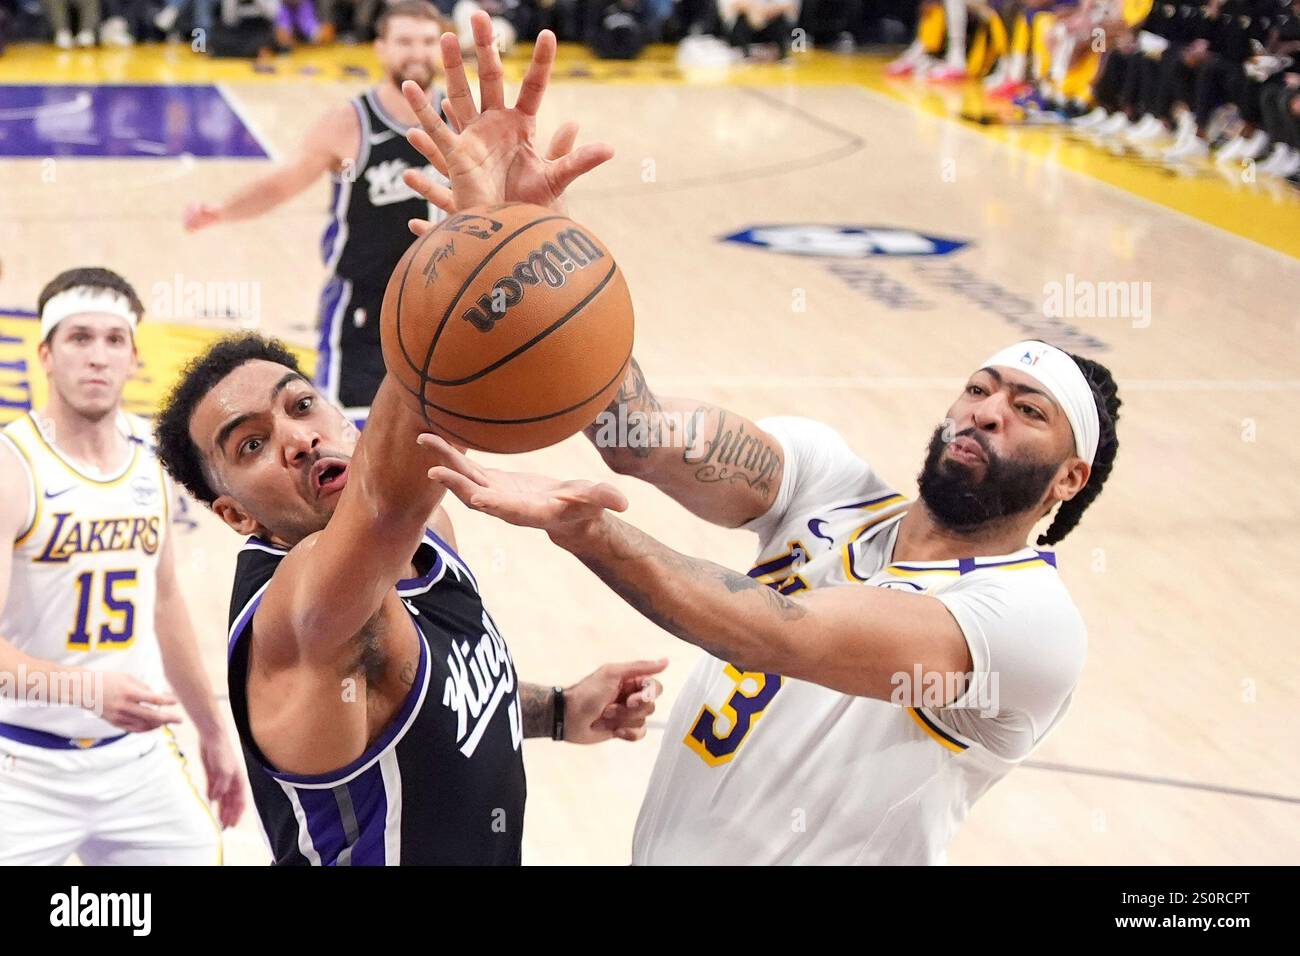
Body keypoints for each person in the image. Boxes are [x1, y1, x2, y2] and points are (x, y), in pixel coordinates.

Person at [154, 14, 656, 866]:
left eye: (302, 405)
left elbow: (419, 697)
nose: (297, 439)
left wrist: (560, 711)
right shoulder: (299, 616)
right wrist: (485, 243)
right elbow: (386, 498)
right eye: (248, 446)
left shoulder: (430, 536)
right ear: (237, 518)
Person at [413, 340, 1122, 864]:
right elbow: (640, 436)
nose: (987, 414)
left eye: (1026, 410)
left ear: (1069, 478)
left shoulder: (1031, 623)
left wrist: (589, 530)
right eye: (979, 388)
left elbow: (782, 636)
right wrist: (541, 242)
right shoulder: (829, 485)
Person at [0, 267, 244, 865]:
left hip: (136, 761)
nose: (97, 357)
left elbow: (164, 605)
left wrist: (211, 732)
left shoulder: (150, 459)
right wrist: (85, 690)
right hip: (22, 769)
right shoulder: (13, 467)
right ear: (46, 354)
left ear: (135, 356)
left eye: (114, 340)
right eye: (79, 338)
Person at [184, 0, 454, 426]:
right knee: (346, 440)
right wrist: (222, 211)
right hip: (363, 310)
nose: (417, 53)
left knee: (433, 444)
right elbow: (284, 182)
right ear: (381, 48)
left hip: (440, 309)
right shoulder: (351, 123)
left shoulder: (461, 120)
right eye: (404, 41)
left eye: (426, 41)